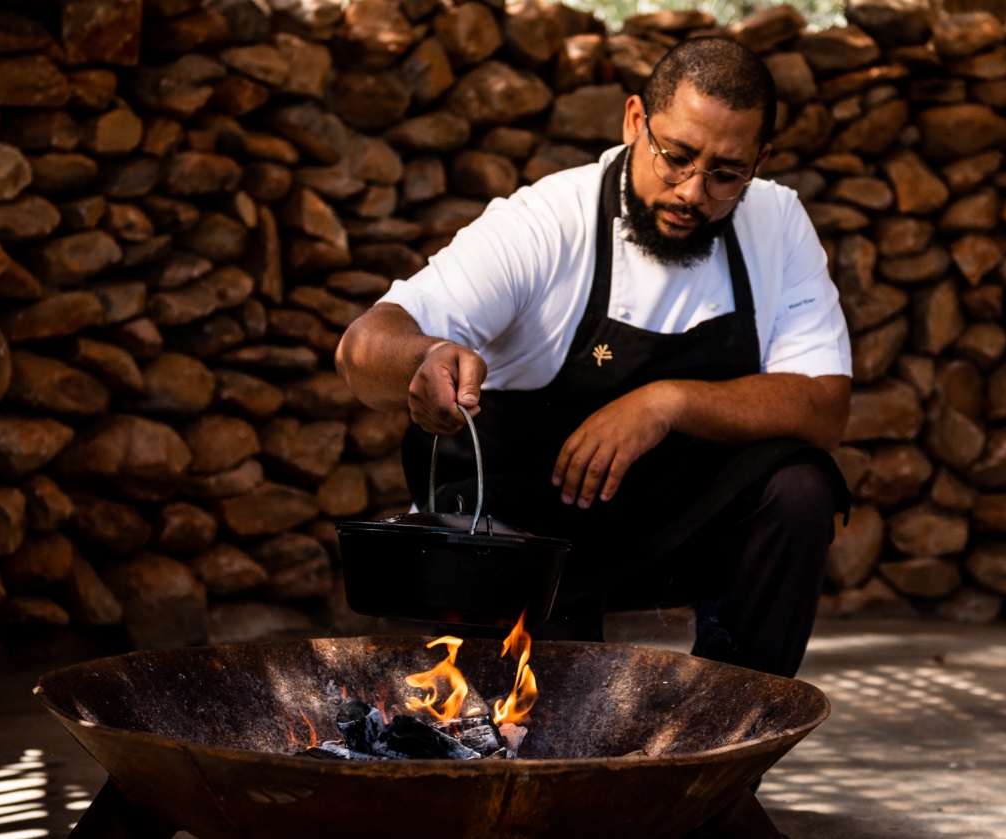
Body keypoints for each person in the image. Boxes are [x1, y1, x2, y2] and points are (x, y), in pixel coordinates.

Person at [337, 37, 853, 682]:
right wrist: (427, 355)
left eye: (726, 173)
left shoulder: (776, 221)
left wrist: (667, 403)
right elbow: (364, 344)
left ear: (760, 160)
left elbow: (824, 406)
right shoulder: (547, 223)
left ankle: (737, 725)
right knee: (549, 723)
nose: (693, 192)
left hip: (679, 528)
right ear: (635, 120)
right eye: (676, 157)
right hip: (532, 533)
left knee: (799, 489)